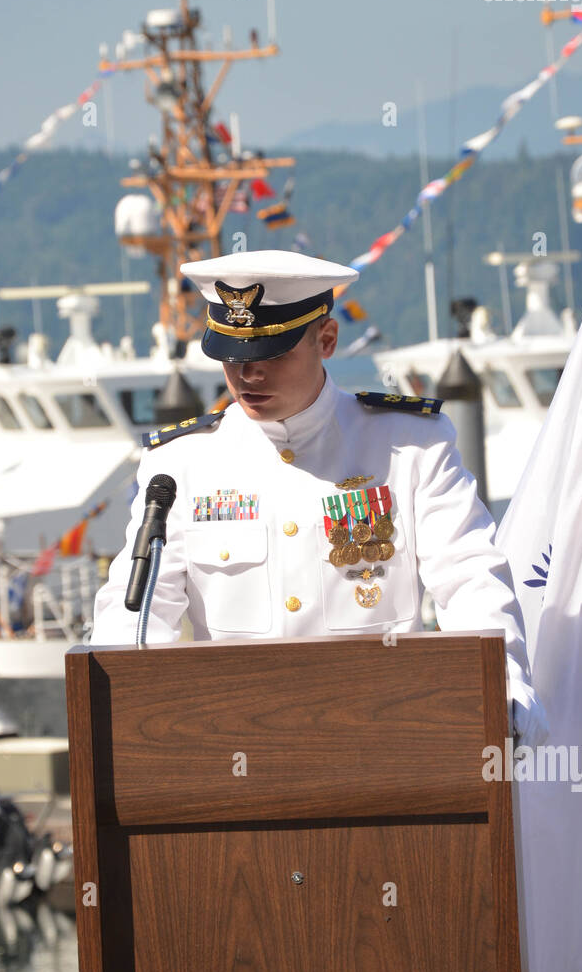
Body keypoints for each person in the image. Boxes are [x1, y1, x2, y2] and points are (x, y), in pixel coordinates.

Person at [90, 249, 547, 745]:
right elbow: (136, 607)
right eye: (231, 355)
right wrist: (119, 713)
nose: (247, 374)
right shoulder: (179, 465)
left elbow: (471, 578)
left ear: (326, 340)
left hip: (386, 742)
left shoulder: (411, 445)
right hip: (232, 749)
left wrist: (500, 689)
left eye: (271, 354)